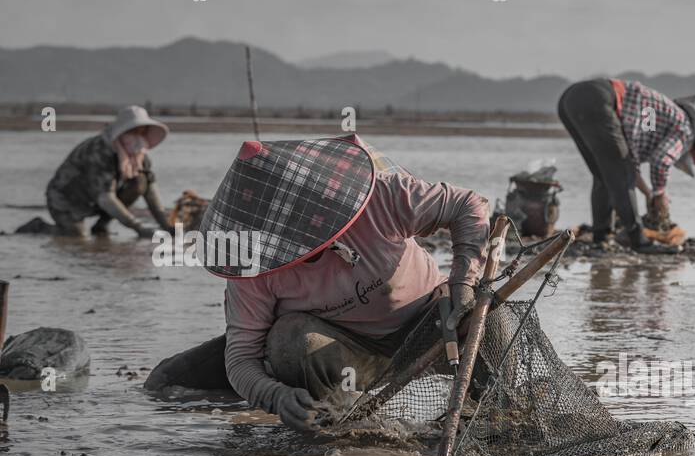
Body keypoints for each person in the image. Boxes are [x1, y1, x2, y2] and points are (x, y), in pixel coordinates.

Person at [145, 134, 491, 432]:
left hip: (433, 326)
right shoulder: (251, 266)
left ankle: (498, 415)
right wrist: (276, 397)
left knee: (493, 316)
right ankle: (343, 424)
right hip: (342, 353)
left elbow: (468, 205)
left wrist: (464, 281)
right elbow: (240, 358)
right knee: (287, 339)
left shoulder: (378, 199)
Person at [557, 78, 695, 253]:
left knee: (604, 175)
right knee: (617, 175)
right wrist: (660, 194)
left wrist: (649, 194)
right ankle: (639, 241)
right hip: (601, 98)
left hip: (571, 99)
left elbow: (630, 167)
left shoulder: (660, 119)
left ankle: (602, 237)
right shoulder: (685, 129)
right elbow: (661, 161)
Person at [46, 105, 173, 238]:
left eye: (142, 131)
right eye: (133, 131)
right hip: (66, 200)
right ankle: (40, 228)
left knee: (140, 181)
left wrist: (167, 226)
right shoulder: (98, 151)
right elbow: (106, 197)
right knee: (77, 235)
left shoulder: (138, 156)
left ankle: (101, 225)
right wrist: (138, 227)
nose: (137, 137)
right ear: (121, 132)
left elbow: (150, 189)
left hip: (96, 202)